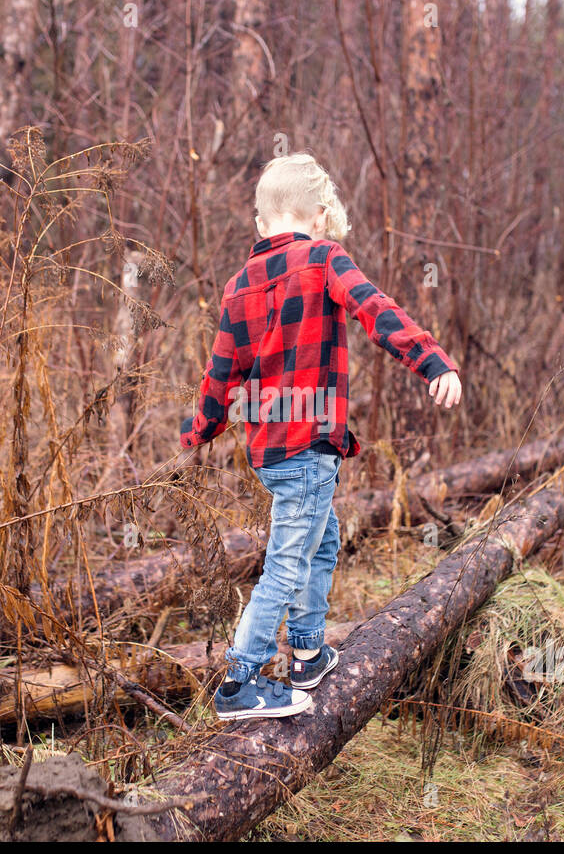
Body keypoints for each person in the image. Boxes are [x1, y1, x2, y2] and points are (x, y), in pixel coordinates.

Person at [180, 153, 462, 720]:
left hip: (270, 452)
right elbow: (375, 310)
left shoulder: (238, 287)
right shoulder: (323, 258)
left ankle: (308, 651)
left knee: (322, 538)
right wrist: (431, 361)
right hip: (308, 447)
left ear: (262, 224)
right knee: (287, 561)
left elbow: (220, 373)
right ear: (319, 216)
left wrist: (199, 430)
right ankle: (241, 681)